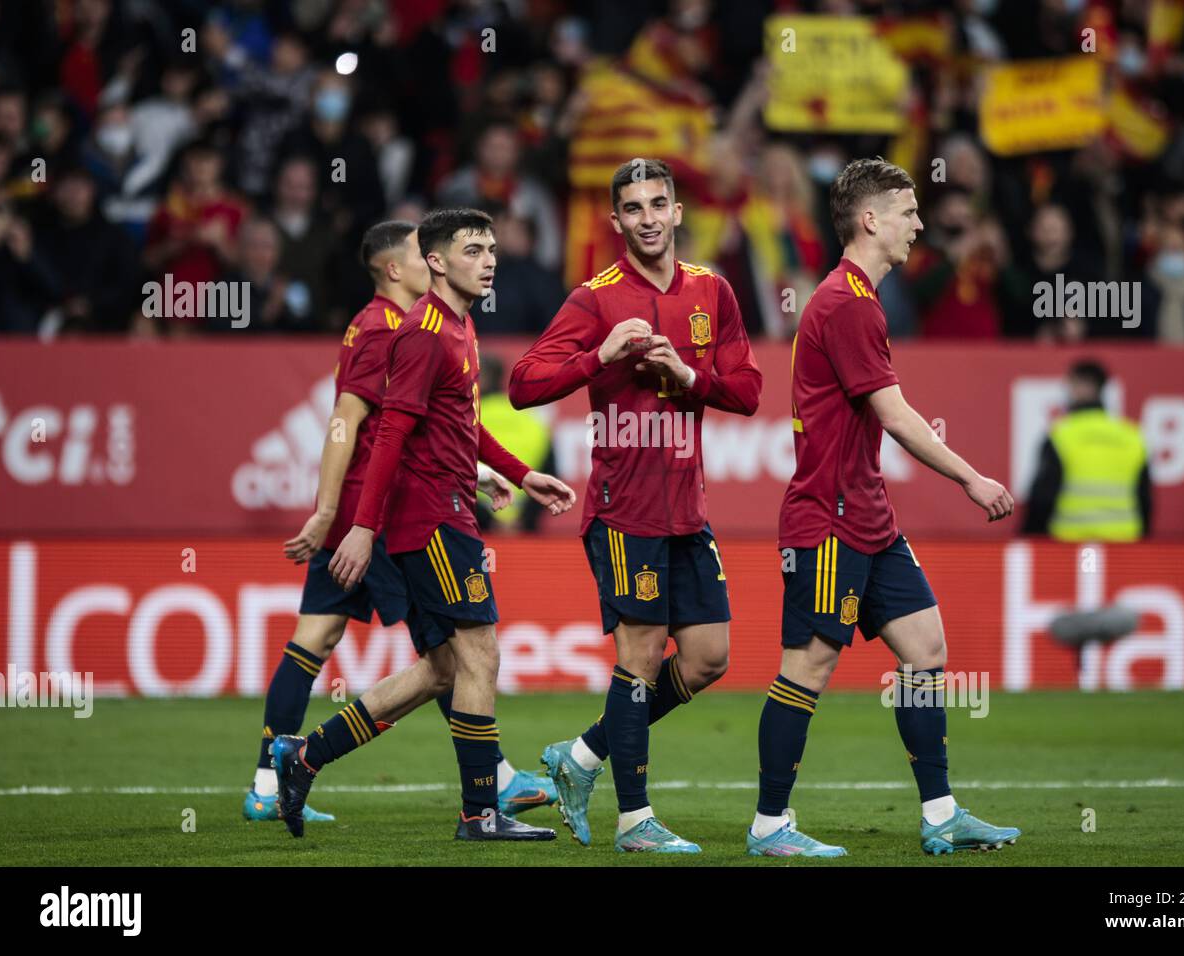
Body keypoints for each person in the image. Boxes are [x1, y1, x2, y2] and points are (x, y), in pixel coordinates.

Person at [747, 157, 1021, 857]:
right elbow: (896, 417)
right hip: (827, 521)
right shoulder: (844, 303)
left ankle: (941, 815)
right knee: (806, 668)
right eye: (907, 212)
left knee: (927, 650)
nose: (919, 225)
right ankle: (770, 826)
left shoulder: (858, 300)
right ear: (870, 220)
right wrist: (972, 479)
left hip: (868, 519)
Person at [244, 220, 558, 828]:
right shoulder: (417, 333)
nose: (489, 260)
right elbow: (386, 431)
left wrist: (517, 474)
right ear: (434, 263)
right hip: (429, 516)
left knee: (441, 666)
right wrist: (352, 524)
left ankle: (302, 756)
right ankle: (482, 807)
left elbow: (455, 423)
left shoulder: (458, 326)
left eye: (492, 249)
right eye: (474, 250)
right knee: (478, 655)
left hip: (438, 506)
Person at [508, 158, 763, 853]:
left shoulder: (714, 290)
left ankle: (583, 756)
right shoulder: (595, 299)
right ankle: (635, 822)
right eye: (633, 207)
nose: (648, 217)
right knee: (642, 657)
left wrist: (688, 374)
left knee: (709, 657)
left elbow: (748, 391)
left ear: (678, 213)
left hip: (689, 511)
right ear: (615, 220)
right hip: (624, 512)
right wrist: (598, 356)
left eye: (659, 204)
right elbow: (523, 383)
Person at [1022, 360, 1152, 541]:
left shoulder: (1061, 435)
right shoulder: (1132, 436)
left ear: (1080, 386)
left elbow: (1043, 498)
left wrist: (1029, 538)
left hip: (1070, 543)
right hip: (1123, 543)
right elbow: (1144, 501)